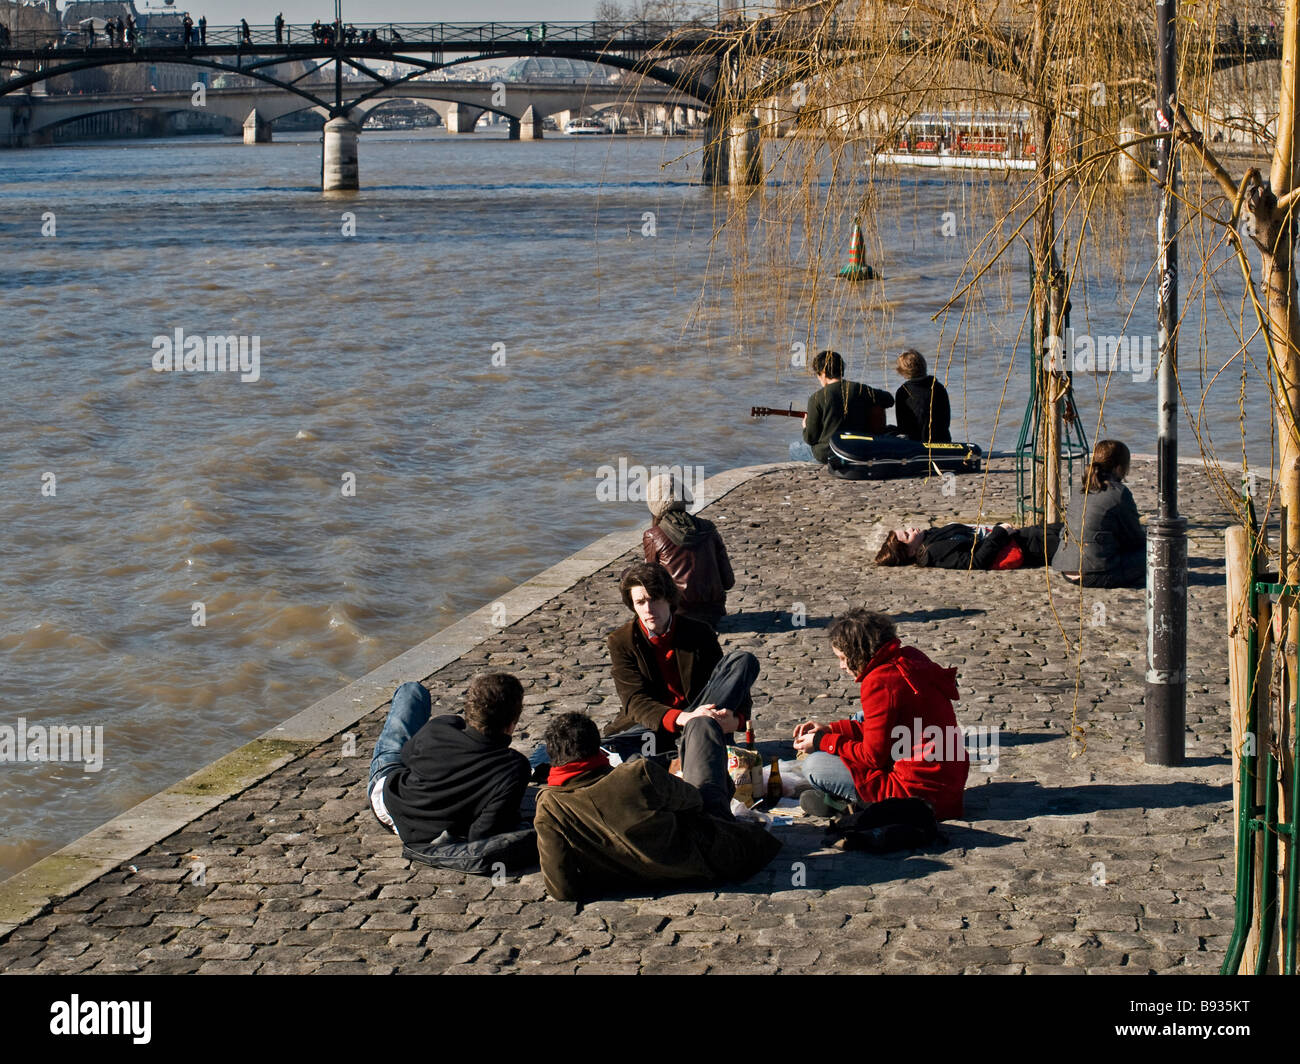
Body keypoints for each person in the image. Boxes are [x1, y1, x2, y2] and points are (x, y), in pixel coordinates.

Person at [533, 711, 782, 902]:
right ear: (596, 746)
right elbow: (696, 801)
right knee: (701, 726)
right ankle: (696, 736)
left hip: (621, 878)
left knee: (692, 746)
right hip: (699, 862)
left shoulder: (549, 806)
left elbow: (562, 888)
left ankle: (686, 748)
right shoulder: (636, 774)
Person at [793, 609, 968, 819]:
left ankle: (858, 806)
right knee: (861, 717)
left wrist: (824, 741)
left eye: (842, 657)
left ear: (858, 653)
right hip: (948, 784)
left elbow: (872, 757)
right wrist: (832, 729)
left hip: (917, 794)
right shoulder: (910, 656)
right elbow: (886, 727)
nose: (841, 666)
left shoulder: (879, 683)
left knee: (815, 766)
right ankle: (842, 802)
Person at [603, 562, 758, 762]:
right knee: (617, 753)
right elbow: (635, 701)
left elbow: (729, 687)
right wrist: (684, 718)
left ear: (668, 599)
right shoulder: (621, 641)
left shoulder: (699, 632)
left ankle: (698, 740)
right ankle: (690, 747)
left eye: (654, 599)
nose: (648, 609)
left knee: (743, 661)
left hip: (700, 711)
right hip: (657, 723)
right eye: (640, 602)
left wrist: (736, 721)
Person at [367, 674, 531, 848]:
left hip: (389, 805)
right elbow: (483, 832)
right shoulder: (514, 767)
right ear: (512, 724)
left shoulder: (441, 727)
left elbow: (406, 757)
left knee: (412, 691)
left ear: (469, 710)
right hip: (429, 831)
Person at [642, 472, 734, 629]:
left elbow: (651, 584)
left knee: (633, 577)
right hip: (714, 612)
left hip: (677, 614)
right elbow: (728, 581)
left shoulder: (653, 535)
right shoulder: (709, 528)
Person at [1051, 439, 1146, 588]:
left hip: (1066, 568)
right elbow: (1135, 539)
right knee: (1155, 552)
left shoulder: (1080, 489)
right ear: (1119, 467)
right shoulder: (1119, 493)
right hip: (1094, 574)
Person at [799, 349, 894, 463]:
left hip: (829, 453)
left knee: (795, 448)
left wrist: (805, 427)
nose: (819, 378)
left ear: (823, 373)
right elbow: (889, 400)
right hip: (858, 449)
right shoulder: (860, 389)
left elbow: (810, 438)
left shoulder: (816, 398)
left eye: (818, 374)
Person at [875, 521, 1061, 570]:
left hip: (1020, 537)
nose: (911, 529)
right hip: (1024, 547)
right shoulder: (936, 552)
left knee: (1065, 529)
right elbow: (976, 560)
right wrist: (1000, 532)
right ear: (910, 551)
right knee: (1070, 540)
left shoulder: (929, 537)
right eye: (907, 535)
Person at [893, 348, 951, 443]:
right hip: (941, 440)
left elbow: (902, 425)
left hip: (915, 443)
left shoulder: (903, 392)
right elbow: (945, 420)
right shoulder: (938, 387)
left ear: (902, 371)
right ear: (924, 365)